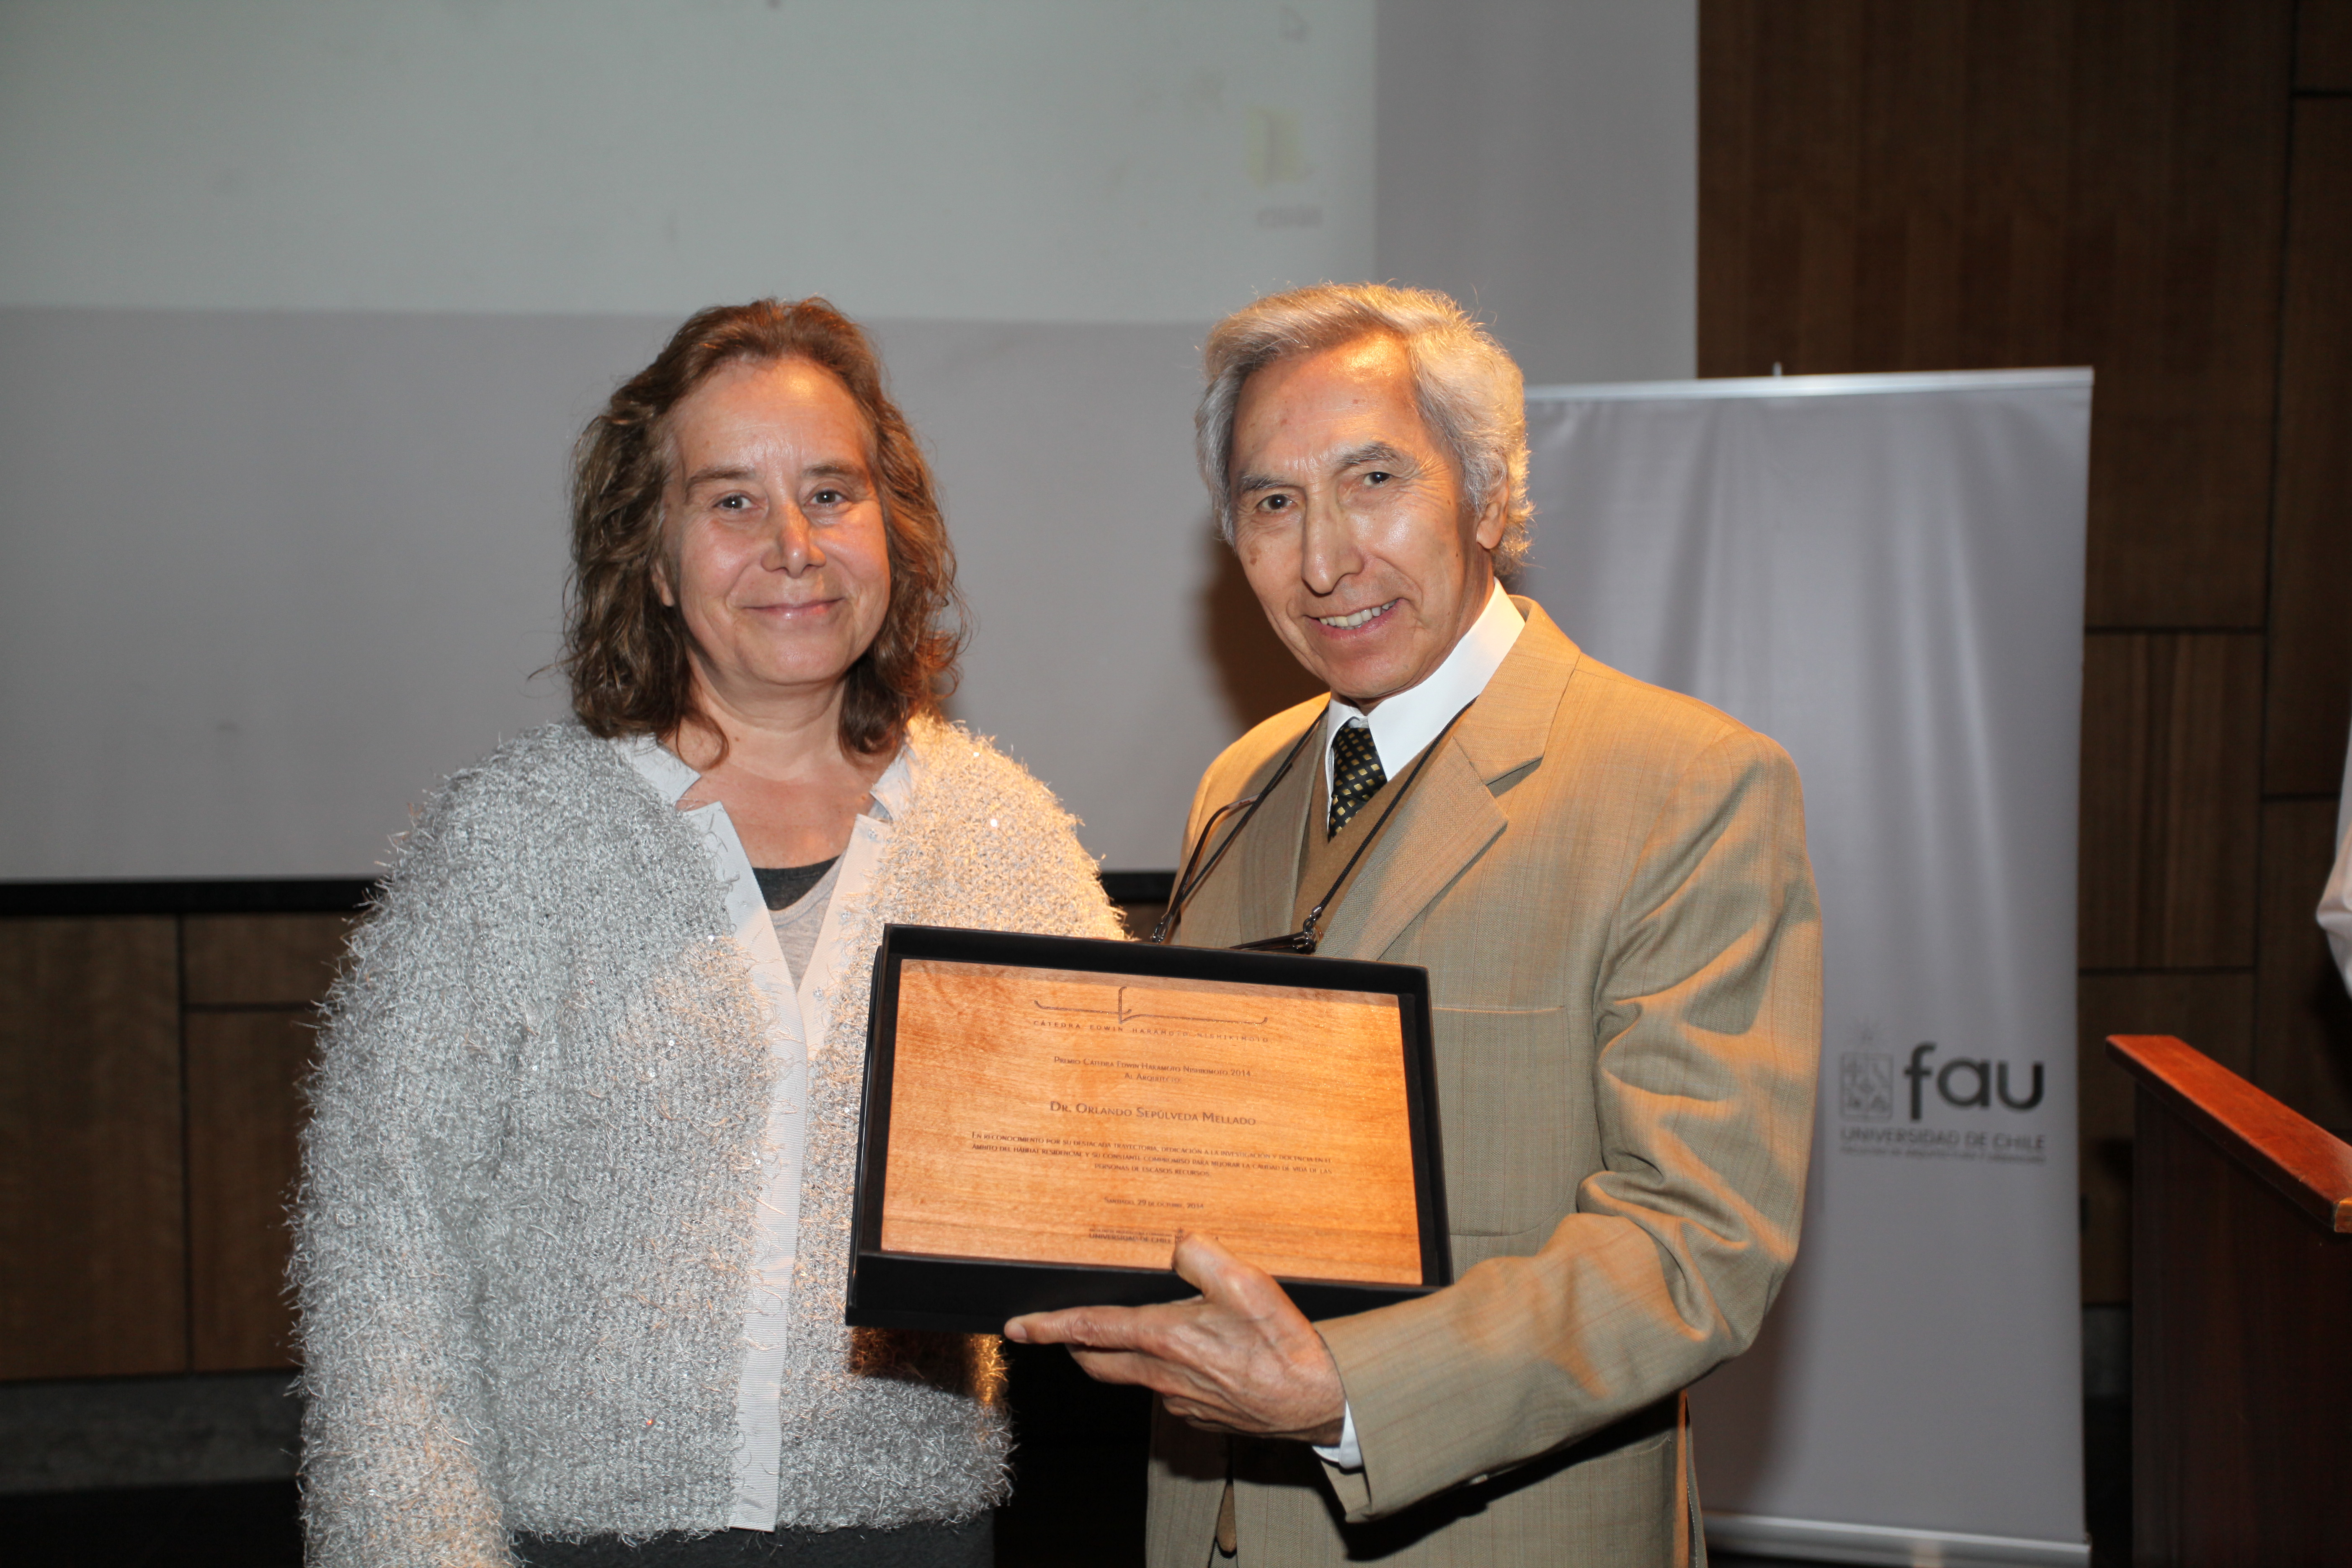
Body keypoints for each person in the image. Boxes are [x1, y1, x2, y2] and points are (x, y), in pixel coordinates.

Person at [294, 299, 1124, 1567]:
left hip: (907, 1536)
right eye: (732, 500)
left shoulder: (1003, 840)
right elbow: (383, 1250)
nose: (794, 545)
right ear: (656, 557)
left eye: (833, 494)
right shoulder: (512, 842)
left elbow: (1121, 1176)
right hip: (574, 1541)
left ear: (891, 531)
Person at [1005, 284, 1822, 1565]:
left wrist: (1348, 1400)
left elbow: (1697, 1248)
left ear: (1490, 496)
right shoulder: (1245, 784)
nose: (1325, 560)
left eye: (1372, 479)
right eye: (1274, 504)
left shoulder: (1685, 787)